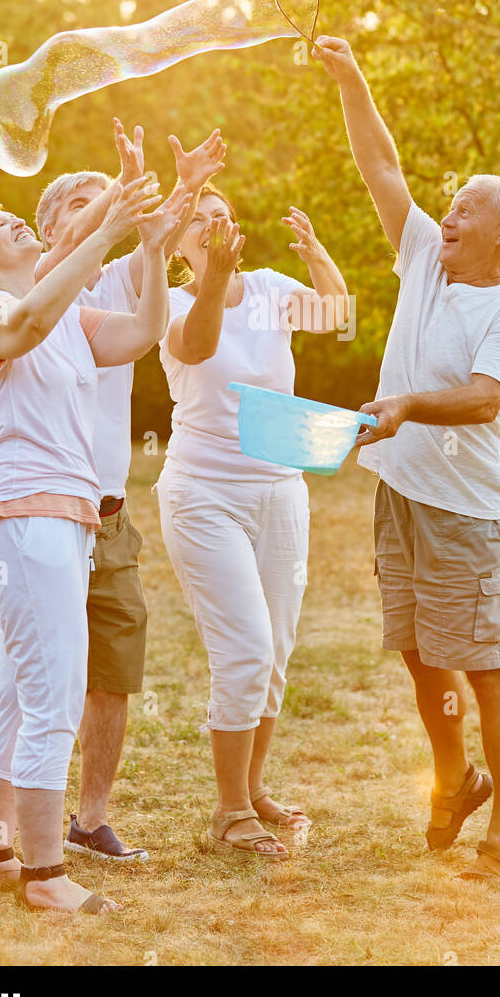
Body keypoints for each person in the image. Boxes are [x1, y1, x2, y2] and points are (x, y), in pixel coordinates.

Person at [0, 121, 223, 867]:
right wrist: (117, 226)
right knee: (45, 692)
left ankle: (0, 850)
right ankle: (38, 867)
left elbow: (143, 330)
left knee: (42, 690)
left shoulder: (67, 312)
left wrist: (158, 247)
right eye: (1, 225)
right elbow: (28, 317)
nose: (10, 222)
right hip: (23, 515)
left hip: (75, 518)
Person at [314, 34, 500, 884]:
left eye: (468, 209)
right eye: (449, 202)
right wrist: (351, 77)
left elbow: (487, 399)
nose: (447, 214)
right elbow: (380, 163)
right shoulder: (422, 260)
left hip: (466, 508)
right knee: (418, 651)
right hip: (401, 494)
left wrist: (407, 404)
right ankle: (457, 778)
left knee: (486, 667)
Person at [156, 187, 349, 860]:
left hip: (281, 491)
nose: (212, 223)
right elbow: (202, 344)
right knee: (243, 650)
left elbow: (335, 315)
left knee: (276, 653)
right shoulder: (173, 304)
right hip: (204, 495)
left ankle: (254, 788)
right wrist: (211, 279)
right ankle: (231, 813)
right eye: (196, 219)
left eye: (221, 213)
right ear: (178, 243)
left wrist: (319, 256)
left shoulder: (269, 287)